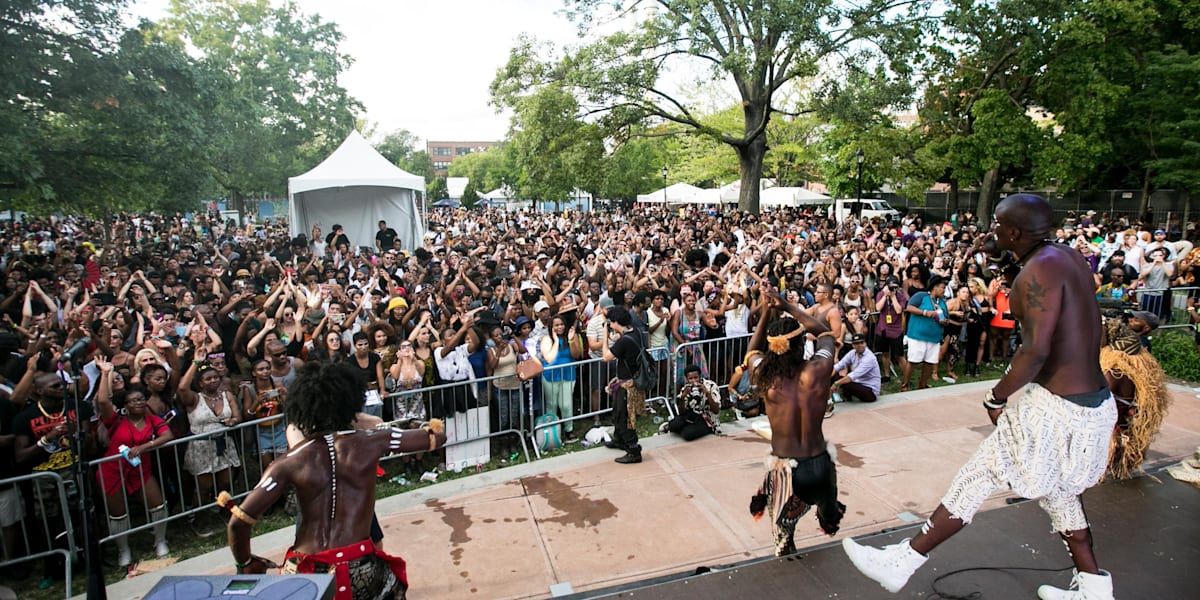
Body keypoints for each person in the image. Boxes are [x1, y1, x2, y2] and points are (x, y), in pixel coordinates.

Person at [843, 194, 1119, 600]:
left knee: (979, 475)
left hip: (1056, 408)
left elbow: (1034, 351)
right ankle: (1095, 588)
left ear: (1014, 232)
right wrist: (1001, 257)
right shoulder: (1066, 257)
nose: (989, 230)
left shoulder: (1034, 276)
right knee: (1061, 496)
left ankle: (902, 561)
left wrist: (996, 396)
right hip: (1093, 403)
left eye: (996, 224)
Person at [225, 361, 447, 600]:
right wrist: (406, 423)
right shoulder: (375, 440)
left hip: (305, 573)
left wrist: (245, 562)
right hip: (360, 568)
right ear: (351, 403)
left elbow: (238, 523)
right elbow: (436, 436)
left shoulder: (288, 461)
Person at [747, 288, 843, 557]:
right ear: (801, 345)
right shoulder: (817, 371)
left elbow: (752, 350)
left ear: (773, 347)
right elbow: (825, 334)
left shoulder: (765, 378)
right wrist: (787, 306)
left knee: (783, 532)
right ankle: (828, 519)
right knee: (829, 515)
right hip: (820, 463)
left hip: (786, 472)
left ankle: (787, 549)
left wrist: (766, 310)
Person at [93, 355, 174, 565]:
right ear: (125, 405)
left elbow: (167, 436)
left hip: (140, 469)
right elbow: (103, 401)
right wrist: (105, 373)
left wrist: (143, 447)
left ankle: (160, 540)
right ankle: (124, 549)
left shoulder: (152, 419)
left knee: (157, 505)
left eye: (141, 400)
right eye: (133, 401)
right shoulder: (115, 422)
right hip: (112, 471)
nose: (138, 403)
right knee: (118, 514)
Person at [1100, 317, 1170, 481]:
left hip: (1117, 414)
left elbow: (1103, 400)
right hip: (1123, 413)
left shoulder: (1116, 367)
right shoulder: (1135, 359)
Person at [600, 306, 645, 464]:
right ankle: (619, 440)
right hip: (630, 381)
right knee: (617, 413)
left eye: (611, 323)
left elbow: (606, 356)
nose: (610, 325)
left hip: (626, 385)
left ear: (616, 322)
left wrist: (605, 337)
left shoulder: (624, 341)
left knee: (624, 418)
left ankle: (633, 451)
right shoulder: (635, 332)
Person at [900, 275, 948, 391]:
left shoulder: (942, 302)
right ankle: (905, 385)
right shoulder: (921, 296)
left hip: (934, 336)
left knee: (930, 362)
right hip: (918, 335)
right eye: (942, 288)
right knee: (913, 360)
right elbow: (909, 307)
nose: (944, 290)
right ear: (935, 287)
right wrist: (925, 312)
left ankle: (923, 383)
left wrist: (944, 322)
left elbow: (946, 317)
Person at [666, 364, 720, 441]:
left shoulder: (711, 385)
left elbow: (716, 410)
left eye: (696, 377)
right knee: (673, 425)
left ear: (700, 376)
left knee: (687, 434)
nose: (694, 381)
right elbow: (682, 413)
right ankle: (686, 427)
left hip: (707, 418)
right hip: (692, 415)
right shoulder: (686, 388)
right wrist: (683, 397)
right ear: (686, 379)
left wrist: (708, 394)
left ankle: (694, 429)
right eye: (690, 378)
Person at [831, 334, 880, 403]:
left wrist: (836, 384)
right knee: (833, 376)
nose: (860, 345)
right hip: (858, 383)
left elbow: (853, 376)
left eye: (862, 342)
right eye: (857, 343)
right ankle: (843, 397)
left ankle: (838, 396)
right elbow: (839, 366)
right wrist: (827, 377)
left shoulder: (869, 358)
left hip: (870, 392)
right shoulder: (852, 353)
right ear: (853, 345)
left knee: (844, 382)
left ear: (865, 343)